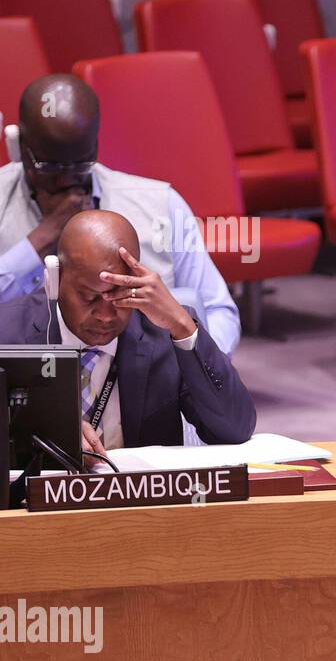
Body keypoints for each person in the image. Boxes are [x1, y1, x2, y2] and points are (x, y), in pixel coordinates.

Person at [0, 74, 241, 354]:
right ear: (18, 147)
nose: (67, 180)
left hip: (147, 386)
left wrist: (200, 369)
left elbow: (217, 309)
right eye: (50, 167)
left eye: (80, 164)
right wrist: (41, 239)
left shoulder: (159, 205)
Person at [0, 210, 256, 454]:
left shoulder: (164, 331)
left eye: (118, 296)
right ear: (53, 280)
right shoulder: (8, 331)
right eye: (89, 297)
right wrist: (48, 426)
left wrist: (183, 327)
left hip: (145, 496)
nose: (105, 315)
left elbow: (234, 430)